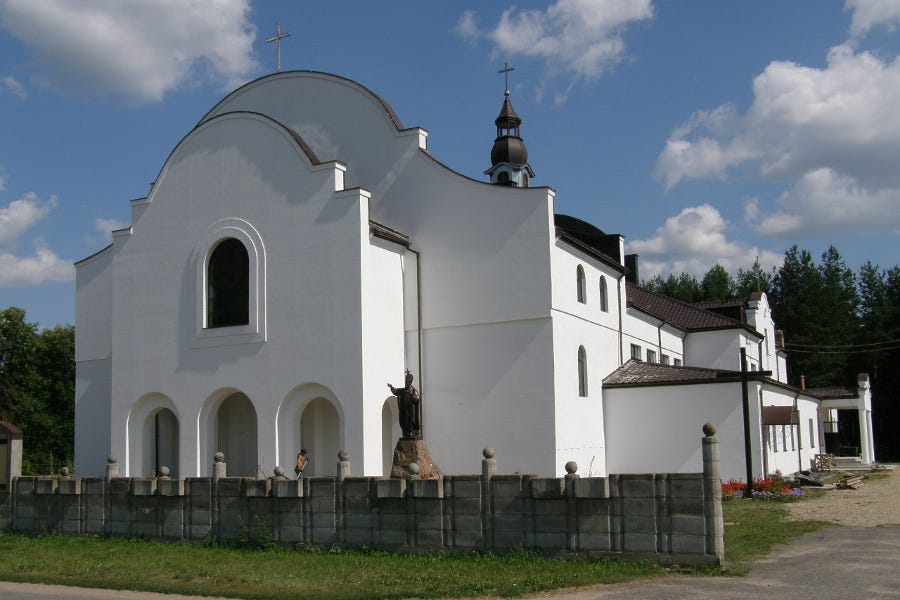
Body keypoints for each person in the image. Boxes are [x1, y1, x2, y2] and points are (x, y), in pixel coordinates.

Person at [387, 370, 421, 439]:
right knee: (403, 422)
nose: (406, 383)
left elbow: (417, 398)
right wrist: (391, 388)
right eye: (406, 381)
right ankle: (406, 434)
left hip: (410, 411)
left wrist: (412, 396)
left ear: (410, 382)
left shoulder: (413, 391)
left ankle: (412, 433)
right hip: (404, 411)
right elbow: (396, 391)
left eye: (407, 382)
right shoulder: (403, 390)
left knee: (410, 422)